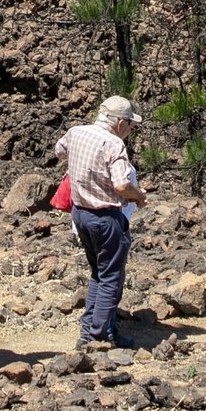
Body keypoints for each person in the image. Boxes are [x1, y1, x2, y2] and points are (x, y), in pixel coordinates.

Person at [56, 95, 148, 349]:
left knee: (98, 272)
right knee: (111, 278)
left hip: (80, 214)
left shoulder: (76, 132)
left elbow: (59, 152)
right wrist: (138, 196)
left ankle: (88, 331)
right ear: (119, 123)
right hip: (105, 217)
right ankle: (99, 335)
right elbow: (121, 184)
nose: (130, 130)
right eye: (129, 124)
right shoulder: (113, 143)